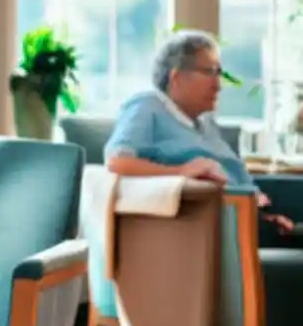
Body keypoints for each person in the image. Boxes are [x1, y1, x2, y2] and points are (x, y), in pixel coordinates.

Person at [104, 29, 295, 235]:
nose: (218, 85)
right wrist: (180, 172)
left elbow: (232, 178)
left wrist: (264, 216)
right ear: (176, 77)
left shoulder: (205, 123)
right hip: (204, 229)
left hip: (243, 221)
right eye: (210, 72)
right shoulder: (147, 106)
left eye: (218, 73)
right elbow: (117, 162)